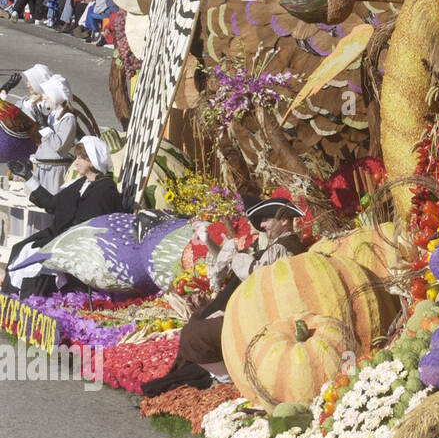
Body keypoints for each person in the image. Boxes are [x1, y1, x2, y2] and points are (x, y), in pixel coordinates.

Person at [142, 198, 308, 395]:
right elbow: (232, 263)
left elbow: (261, 278)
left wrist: (228, 312)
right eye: (261, 221)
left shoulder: (287, 247)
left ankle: (229, 377)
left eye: (266, 220)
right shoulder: (270, 246)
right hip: (243, 308)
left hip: (259, 318)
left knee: (193, 335)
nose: (262, 226)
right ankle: (191, 377)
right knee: (197, 320)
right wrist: (208, 241)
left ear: (285, 221)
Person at [1, 137, 121, 296]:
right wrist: (28, 177)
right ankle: (12, 299)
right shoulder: (80, 184)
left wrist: (63, 239)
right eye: (76, 157)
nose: (75, 162)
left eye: (80, 158)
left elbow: (95, 227)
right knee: (23, 249)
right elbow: (52, 203)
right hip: (63, 238)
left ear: (92, 161)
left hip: (81, 245)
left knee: (36, 258)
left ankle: (32, 301)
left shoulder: (105, 190)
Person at [28, 76, 77, 199]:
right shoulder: (52, 116)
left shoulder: (68, 119)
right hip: (43, 168)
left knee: (49, 207)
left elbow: (57, 145)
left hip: (54, 172)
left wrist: (44, 127)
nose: (44, 97)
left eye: (47, 93)